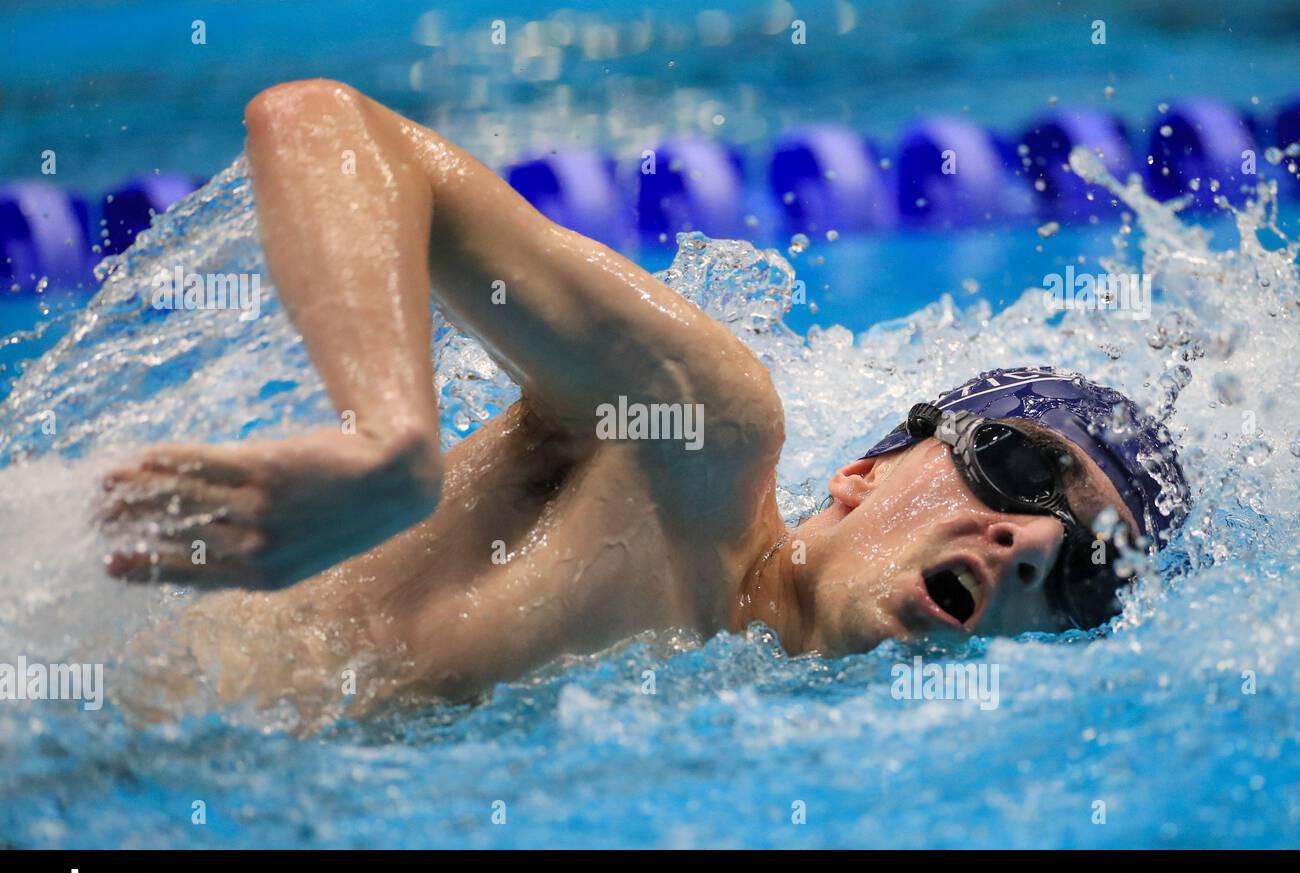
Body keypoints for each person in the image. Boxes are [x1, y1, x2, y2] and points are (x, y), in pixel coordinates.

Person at [98, 80, 1188, 706]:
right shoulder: (700, 436)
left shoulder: (745, 728)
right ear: (862, 472)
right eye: (1019, 468)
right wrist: (390, 438)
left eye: (1085, 572)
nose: (1031, 545)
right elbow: (325, 123)